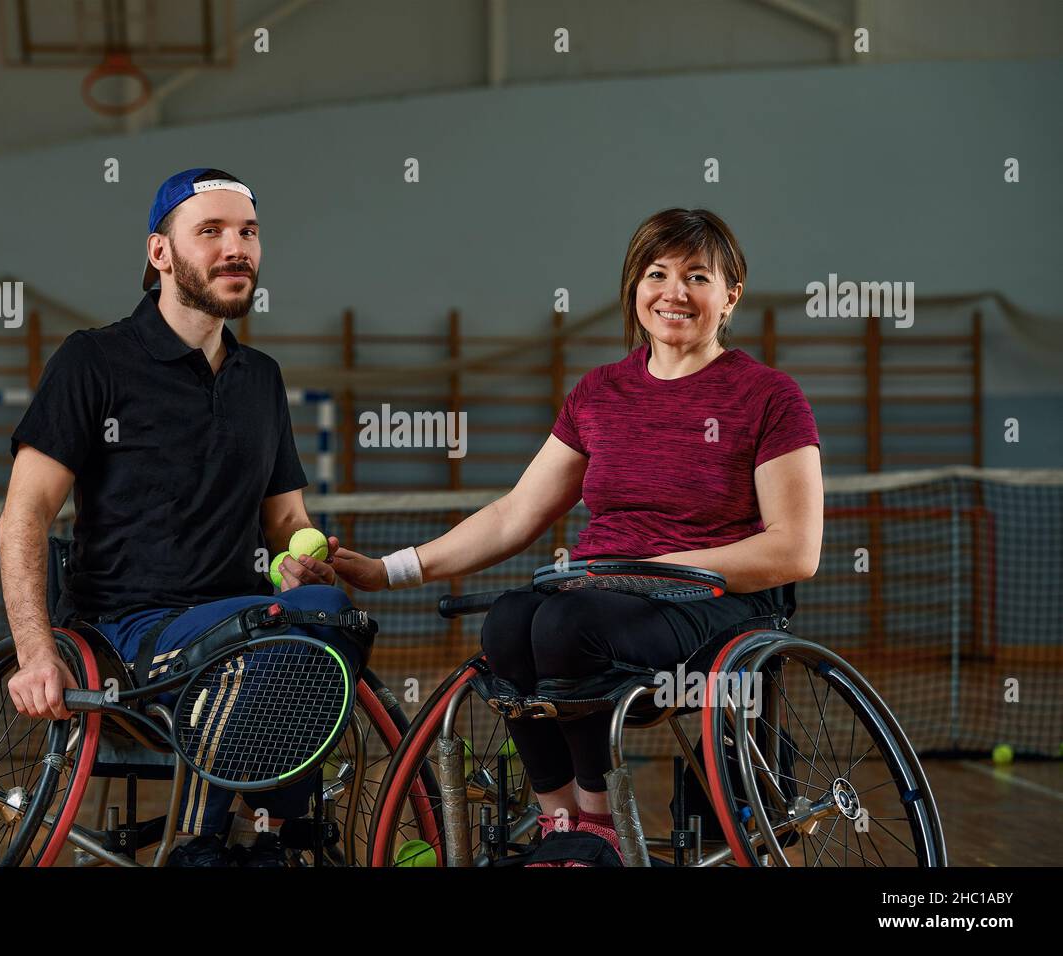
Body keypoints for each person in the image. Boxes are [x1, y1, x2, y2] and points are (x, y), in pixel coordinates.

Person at [333, 207, 823, 865]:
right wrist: (387, 570)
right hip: (601, 597)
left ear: (730, 295)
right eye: (657, 273)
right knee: (509, 621)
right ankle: (562, 825)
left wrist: (660, 566)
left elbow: (796, 549)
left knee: (568, 626)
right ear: (634, 287)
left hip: (712, 607)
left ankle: (599, 826)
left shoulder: (769, 397)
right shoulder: (600, 394)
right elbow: (515, 515)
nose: (674, 292)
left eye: (697, 277)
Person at [0, 168, 353, 867]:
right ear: (160, 253)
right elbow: (23, 516)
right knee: (257, 636)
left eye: (248, 233)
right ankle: (201, 841)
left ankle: (277, 838)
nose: (236, 249)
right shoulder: (92, 360)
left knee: (328, 612)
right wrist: (34, 650)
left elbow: (288, 520)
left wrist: (296, 560)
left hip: (240, 618)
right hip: (124, 631)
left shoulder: (262, 379)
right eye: (211, 231)